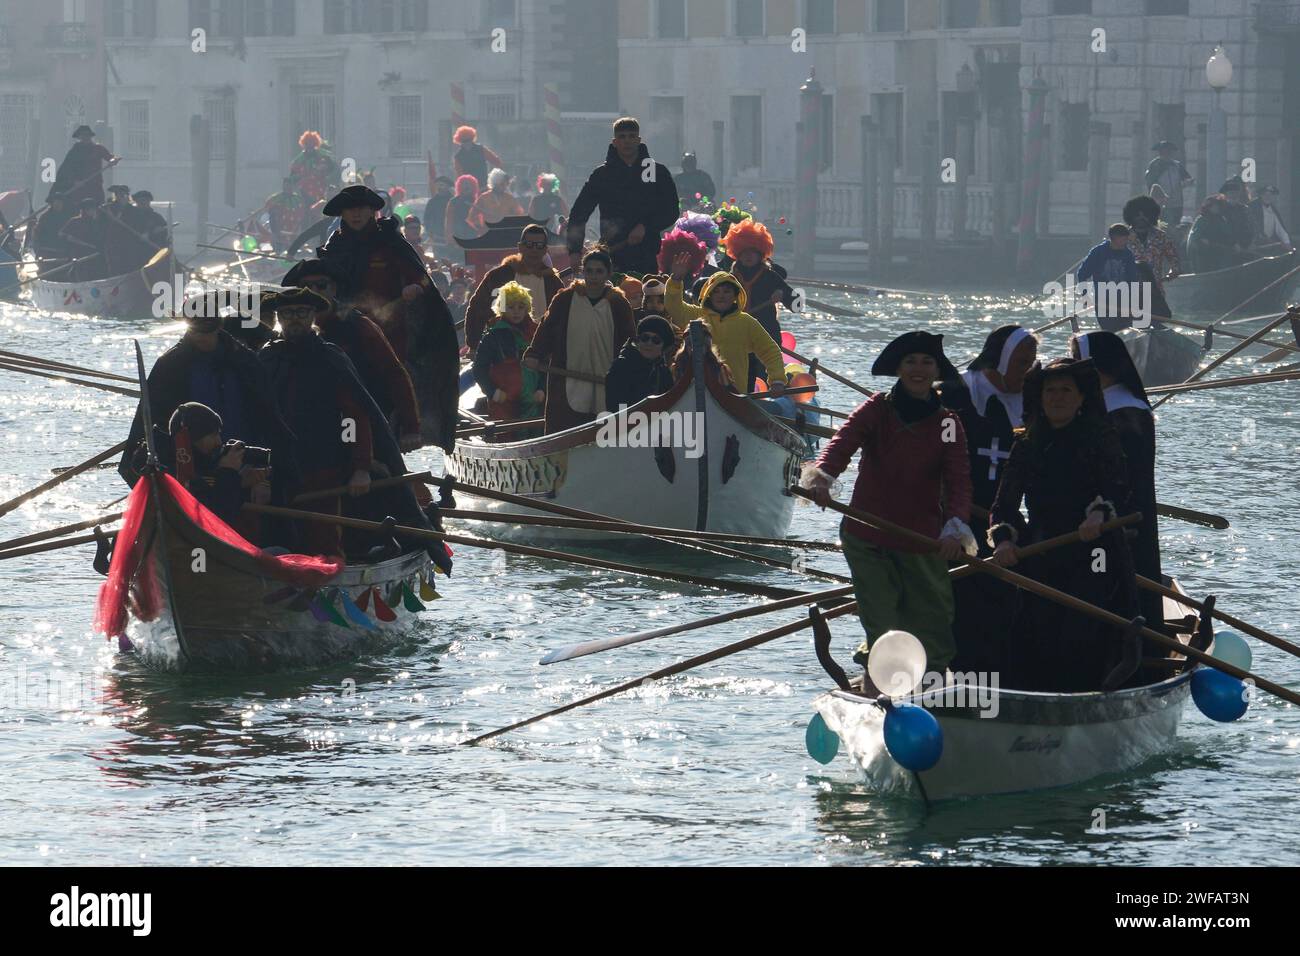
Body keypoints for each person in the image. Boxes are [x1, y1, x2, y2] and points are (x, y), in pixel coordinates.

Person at [801, 331, 976, 676]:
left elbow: (958, 481)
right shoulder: (878, 409)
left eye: (927, 362)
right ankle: (881, 682)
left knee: (933, 623)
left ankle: (931, 690)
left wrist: (955, 528)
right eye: (911, 361)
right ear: (899, 368)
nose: (918, 369)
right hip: (867, 535)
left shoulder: (946, 423)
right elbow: (842, 442)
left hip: (922, 539)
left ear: (937, 371)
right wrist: (822, 478)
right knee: (883, 622)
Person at [258, 288, 450, 565]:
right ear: (278, 318)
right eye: (287, 314)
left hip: (326, 466)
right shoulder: (267, 358)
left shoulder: (330, 358)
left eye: (301, 312)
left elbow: (354, 415)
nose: (294, 319)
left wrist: (360, 467)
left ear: (312, 315)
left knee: (325, 539)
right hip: (280, 469)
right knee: (277, 534)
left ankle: (325, 576)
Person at [989, 358, 1141, 693]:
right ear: (1040, 398)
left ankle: (1085, 693)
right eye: (1051, 391)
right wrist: (1003, 541)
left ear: (1081, 397)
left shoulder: (1101, 438)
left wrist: (1099, 514)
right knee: (1033, 628)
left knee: (1083, 627)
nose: (1058, 397)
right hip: (1042, 546)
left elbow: (1118, 490)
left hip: (1095, 548)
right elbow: (1004, 506)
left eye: (1066, 390)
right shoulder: (1026, 443)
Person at [316, 184, 460, 452]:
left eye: (361, 208)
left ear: (372, 211)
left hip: (390, 333)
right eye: (350, 210)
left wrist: (412, 288)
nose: (356, 214)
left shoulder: (390, 241)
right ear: (343, 214)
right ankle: (348, 451)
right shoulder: (334, 246)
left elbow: (419, 277)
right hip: (346, 332)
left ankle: (394, 443)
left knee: (389, 388)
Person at [119, 294, 297, 511]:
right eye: (197, 330)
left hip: (247, 467)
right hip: (190, 474)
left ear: (218, 326)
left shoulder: (246, 362)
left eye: (208, 330)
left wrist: (264, 478)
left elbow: (269, 422)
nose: (202, 338)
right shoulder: (169, 366)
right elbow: (151, 429)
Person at [936, 325, 1037, 673]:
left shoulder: (1032, 401)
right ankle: (948, 666)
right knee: (956, 593)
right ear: (1002, 359)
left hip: (1002, 517)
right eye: (1021, 363)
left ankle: (1000, 669)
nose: (1027, 371)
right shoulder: (957, 392)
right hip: (952, 513)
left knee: (1007, 591)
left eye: (1031, 363)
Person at [1070, 331, 1162, 633]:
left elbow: (1124, 475)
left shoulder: (1125, 412)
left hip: (1122, 517)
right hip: (1101, 514)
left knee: (1119, 589)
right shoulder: (1111, 404)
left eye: (1076, 361)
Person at [282, 258, 422, 451]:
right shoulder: (284, 334)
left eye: (321, 285)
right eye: (306, 286)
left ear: (334, 289)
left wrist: (411, 428)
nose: (314, 291)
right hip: (305, 431)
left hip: (359, 425)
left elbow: (394, 374)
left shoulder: (359, 327)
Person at [523, 248, 636, 433]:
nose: (593, 276)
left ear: (608, 273)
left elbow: (629, 340)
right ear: (583, 271)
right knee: (565, 429)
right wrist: (534, 354)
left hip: (607, 383)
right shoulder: (564, 299)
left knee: (607, 432)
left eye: (599, 271)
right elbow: (546, 329)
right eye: (589, 271)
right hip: (567, 379)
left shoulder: (618, 304)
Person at [566, 117, 680, 276]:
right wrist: (574, 250)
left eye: (632, 136)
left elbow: (671, 210)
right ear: (615, 141)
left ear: (639, 140)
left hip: (646, 254)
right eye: (622, 137)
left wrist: (646, 226)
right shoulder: (602, 175)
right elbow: (579, 213)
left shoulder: (656, 172)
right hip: (612, 257)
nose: (627, 141)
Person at [665, 252, 787, 394]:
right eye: (716, 292)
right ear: (709, 295)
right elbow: (673, 307)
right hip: (697, 391)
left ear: (735, 296)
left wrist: (777, 381)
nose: (721, 295)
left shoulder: (747, 322)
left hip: (734, 395)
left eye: (727, 291)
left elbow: (770, 350)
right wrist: (676, 279)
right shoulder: (696, 315)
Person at [159, 402, 268, 531]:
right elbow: (218, 516)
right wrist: (228, 472)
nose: (219, 442)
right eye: (213, 435)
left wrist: (240, 483)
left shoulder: (196, 466)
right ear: (192, 438)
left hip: (202, 546)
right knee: (279, 550)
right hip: (198, 549)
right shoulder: (179, 473)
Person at [714, 219, 794, 390]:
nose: (749, 256)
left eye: (753, 252)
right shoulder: (730, 278)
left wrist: (783, 294)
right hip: (737, 334)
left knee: (762, 375)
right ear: (738, 253)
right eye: (744, 252)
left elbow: (797, 304)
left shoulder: (771, 277)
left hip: (766, 332)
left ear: (760, 253)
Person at [464, 224, 566, 352]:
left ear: (545, 250)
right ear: (520, 247)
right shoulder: (499, 276)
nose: (534, 250)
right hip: (502, 349)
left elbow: (562, 319)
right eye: (529, 244)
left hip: (542, 351)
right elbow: (477, 308)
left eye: (539, 246)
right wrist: (473, 345)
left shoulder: (553, 282)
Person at [473, 281, 545, 425]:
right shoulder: (493, 336)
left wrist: (543, 389)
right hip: (504, 403)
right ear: (502, 309)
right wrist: (493, 392)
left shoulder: (537, 333)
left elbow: (546, 365)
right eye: (510, 307)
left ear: (527, 308)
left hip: (534, 401)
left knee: (536, 430)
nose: (516, 311)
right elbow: (479, 368)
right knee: (505, 434)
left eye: (520, 307)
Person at [1123, 194, 1180, 322]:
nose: (1141, 218)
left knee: (1156, 323)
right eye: (1137, 215)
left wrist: (1173, 272)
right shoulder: (1122, 237)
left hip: (1155, 292)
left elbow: (1174, 259)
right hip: (1129, 293)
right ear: (1131, 216)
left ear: (1151, 216)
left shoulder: (1161, 237)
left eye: (1145, 215)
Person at [605, 315, 677, 412]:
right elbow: (615, 408)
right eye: (645, 338)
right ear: (638, 341)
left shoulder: (664, 373)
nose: (649, 343)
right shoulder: (621, 366)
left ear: (663, 347)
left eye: (656, 340)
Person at [1076, 223, 1140, 332]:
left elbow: (1133, 279)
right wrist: (1085, 295)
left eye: (1126, 240)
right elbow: (1082, 274)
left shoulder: (1127, 254)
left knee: (1126, 331)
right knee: (1109, 332)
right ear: (1114, 238)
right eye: (1123, 240)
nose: (1126, 242)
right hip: (1103, 303)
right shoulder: (1098, 252)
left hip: (1124, 302)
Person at [53, 126, 118, 207]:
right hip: (80, 187)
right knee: (80, 207)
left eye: (87, 135)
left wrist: (113, 160)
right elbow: (67, 168)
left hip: (95, 185)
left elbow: (110, 157)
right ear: (79, 137)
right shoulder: (75, 151)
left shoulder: (98, 148)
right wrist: (74, 181)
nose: (85, 138)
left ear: (90, 136)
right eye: (83, 136)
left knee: (98, 205)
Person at [1143, 141, 1193, 228]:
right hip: (1161, 202)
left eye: (1168, 152)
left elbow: (1186, 177)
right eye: (1164, 152)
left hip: (1176, 202)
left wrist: (1187, 182)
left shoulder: (1177, 165)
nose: (1166, 154)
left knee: (1175, 223)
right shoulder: (1154, 165)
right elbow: (1150, 183)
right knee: (1162, 225)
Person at [58, 199, 109, 280]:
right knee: (83, 276)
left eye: (94, 209)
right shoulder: (75, 221)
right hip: (80, 256)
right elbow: (61, 234)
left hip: (96, 255)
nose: (93, 211)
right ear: (85, 210)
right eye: (90, 209)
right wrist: (68, 237)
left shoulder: (97, 222)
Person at [1186, 194, 1238, 274]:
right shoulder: (1202, 219)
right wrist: (1203, 241)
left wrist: (1234, 244)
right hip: (1204, 255)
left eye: (1217, 206)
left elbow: (1228, 235)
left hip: (1219, 252)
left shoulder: (1221, 219)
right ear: (1208, 207)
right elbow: (1194, 238)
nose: (1216, 208)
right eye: (1214, 206)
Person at [30, 190, 75, 276]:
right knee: (47, 273)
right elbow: (37, 236)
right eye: (56, 202)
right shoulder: (45, 217)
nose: (58, 204)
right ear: (52, 203)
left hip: (64, 254)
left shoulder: (68, 217)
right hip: (47, 253)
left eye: (60, 202)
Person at [288, 130, 337, 203]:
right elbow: (292, 177)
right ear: (304, 145)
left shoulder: (323, 156)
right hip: (305, 192)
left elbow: (333, 169)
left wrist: (327, 178)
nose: (310, 147)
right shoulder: (299, 160)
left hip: (322, 189)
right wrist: (301, 177)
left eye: (312, 145)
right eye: (307, 144)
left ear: (315, 144)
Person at [452, 125, 503, 190]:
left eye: (468, 140)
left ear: (472, 139)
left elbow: (496, 161)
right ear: (460, 142)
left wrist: (494, 178)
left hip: (484, 185)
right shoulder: (458, 156)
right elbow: (459, 175)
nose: (467, 143)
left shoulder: (481, 149)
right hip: (470, 188)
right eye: (464, 141)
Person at [262, 178, 308, 247]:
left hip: (294, 228)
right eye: (286, 186)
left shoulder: (298, 199)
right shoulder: (276, 198)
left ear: (292, 187)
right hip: (279, 229)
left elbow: (303, 213)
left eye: (289, 186)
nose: (287, 188)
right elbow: (268, 209)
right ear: (283, 186)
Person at [1248, 185, 1292, 253]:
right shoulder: (1252, 207)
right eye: (1265, 194)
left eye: (1270, 195)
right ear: (1260, 195)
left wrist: (1287, 243)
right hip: (1255, 245)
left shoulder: (1273, 209)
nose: (1268, 197)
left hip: (1269, 245)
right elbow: (1252, 227)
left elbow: (1280, 228)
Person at [1219, 177, 1256, 252]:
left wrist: (1252, 243)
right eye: (1231, 193)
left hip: (1246, 247)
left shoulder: (1245, 209)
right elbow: (1222, 230)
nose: (1234, 195)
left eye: (1236, 193)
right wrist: (1233, 244)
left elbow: (1252, 227)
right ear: (1226, 194)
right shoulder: (1220, 210)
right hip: (1226, 249)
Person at [444, 174, 481, 243]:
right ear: (460, 186)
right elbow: (449, 221)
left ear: (473, 186)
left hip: (473, 235)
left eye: (469, 184)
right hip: (458, 236)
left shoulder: (477, 201)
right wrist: (450, 238)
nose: (466, 186)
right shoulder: (453, 202)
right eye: (464, 184)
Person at [422, 176, 454, 252]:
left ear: (448, 187)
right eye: (438, 185)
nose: (439, 187)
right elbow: (427, 218)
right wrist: (430, 231)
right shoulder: (432, 202)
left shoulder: (453, 201)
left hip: (452, 237)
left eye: (442, 185)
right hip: (437, 237)